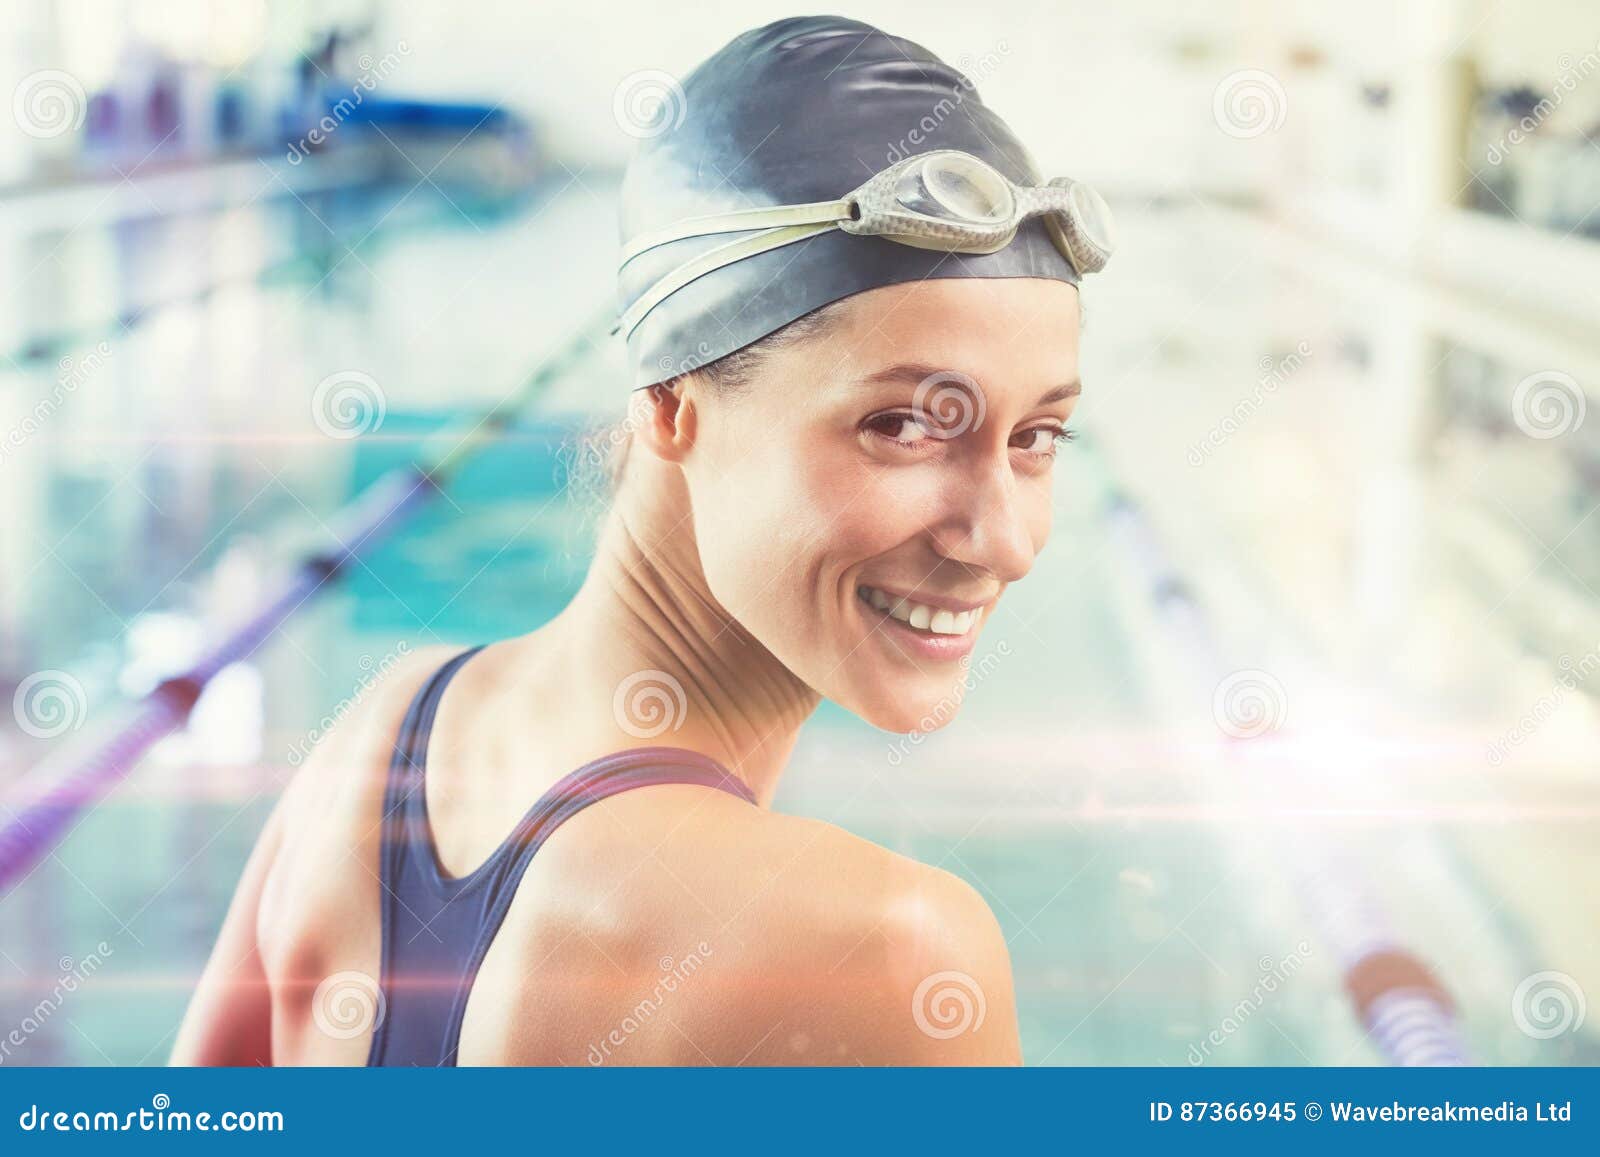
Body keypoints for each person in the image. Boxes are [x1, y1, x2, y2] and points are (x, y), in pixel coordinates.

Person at [172, 14, 1111, 1067]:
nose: (1005, 540)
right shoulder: (885, 951)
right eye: (900, 426)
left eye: (1037, 436)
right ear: (670, 403)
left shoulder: (383, 732)